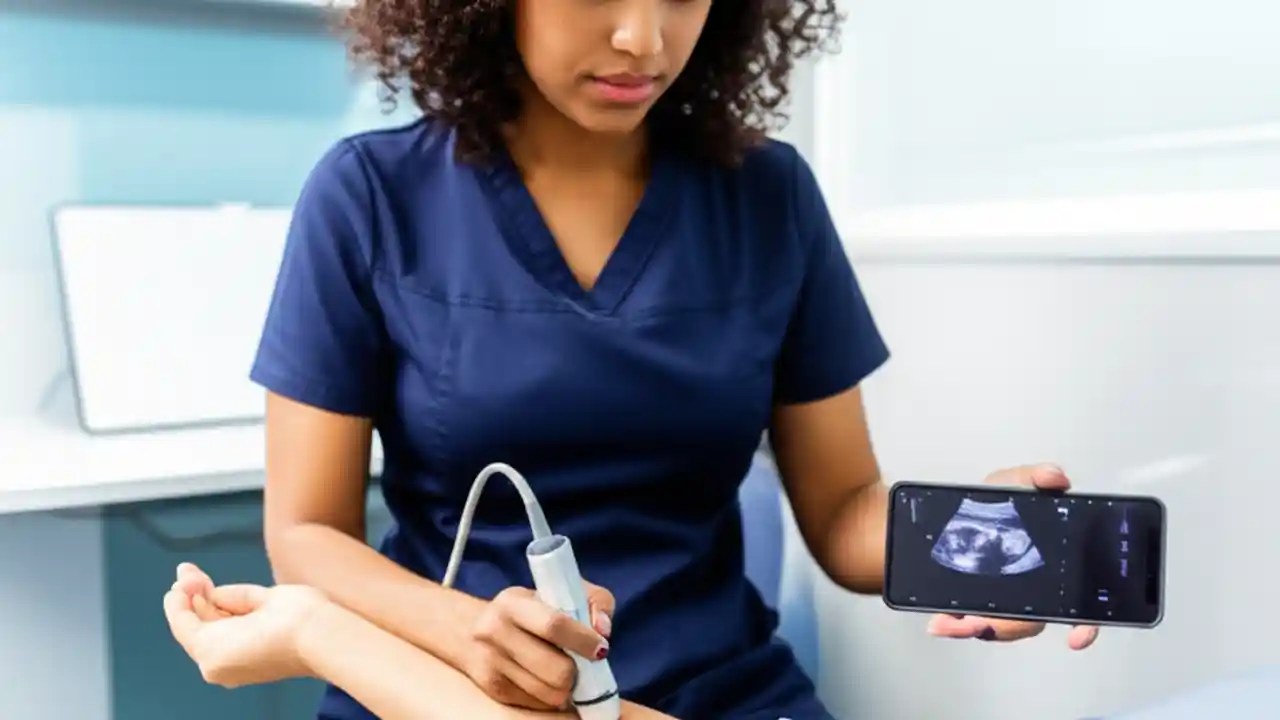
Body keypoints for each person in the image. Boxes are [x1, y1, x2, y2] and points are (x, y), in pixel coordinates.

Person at [165, 0, 1101, 718]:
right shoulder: (368, 196)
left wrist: (976, 549)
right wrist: (468, 631)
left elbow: (846, 510)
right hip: (443, 684)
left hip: (722, 691)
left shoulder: (768, 197)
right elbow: (306, 536)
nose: (642, 39)